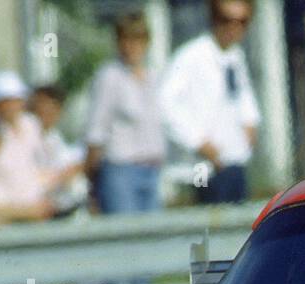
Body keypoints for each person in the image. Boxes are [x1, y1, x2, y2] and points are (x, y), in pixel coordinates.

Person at [161, 0, 261, 204]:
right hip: (204, 168)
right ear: (214, 19)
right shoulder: (191, 55)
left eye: (242, 21)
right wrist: (199, 142)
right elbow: (164, 104)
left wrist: (250, 123)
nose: (234, 28)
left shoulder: (235, 56)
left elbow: (242, 97)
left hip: (234, 161)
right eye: (227, 20)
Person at [84, 11, 167, 213]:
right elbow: (96, 130)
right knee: (127, 240)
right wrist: (92, 182)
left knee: (155, 241)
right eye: (126, 39)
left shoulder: (154, 78)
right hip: (120, 171)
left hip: (152, 170)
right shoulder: (110, 77)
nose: (131, 46)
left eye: (137, 39)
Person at [0, 70, 51, 207]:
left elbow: (41, 162)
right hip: (9, 205)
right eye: (7, 102)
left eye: (16, 100)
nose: (12, 106)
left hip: (37, 203)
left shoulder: (32, 124)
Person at [30, 85, 89, 213]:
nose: (47, 112)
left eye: (53, 109)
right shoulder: (25, 139)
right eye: (42, 107)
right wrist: (60, 177)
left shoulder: (57, 140)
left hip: (62, 207)